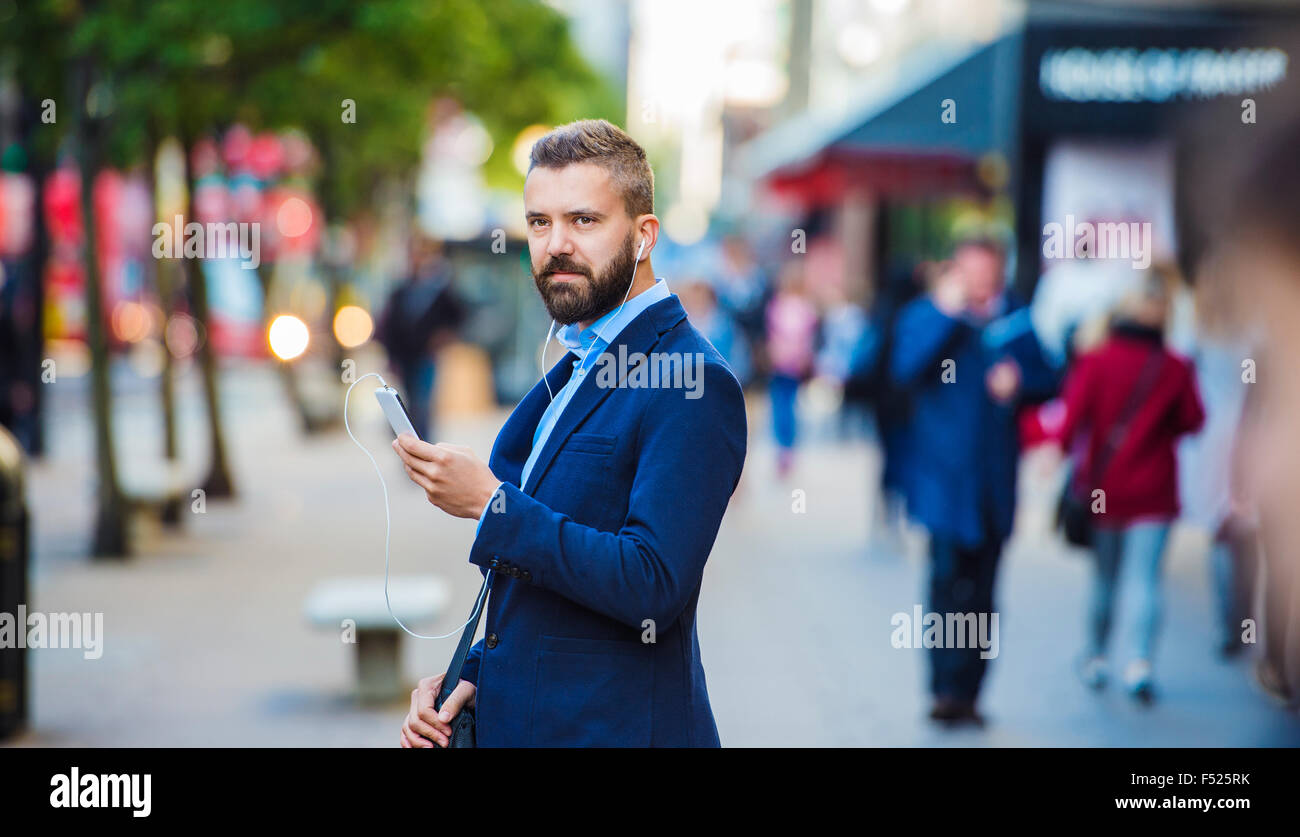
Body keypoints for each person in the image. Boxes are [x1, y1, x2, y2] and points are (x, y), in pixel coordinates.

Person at [393, 119, 747, 747]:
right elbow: (544, 582)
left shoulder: (692, 381)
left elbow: (652, 585)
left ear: (643, 236)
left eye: (583, 221)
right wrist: (472, 675)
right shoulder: (582, 360)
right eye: (538, 223)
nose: (556, 244)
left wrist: (488, 506)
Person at [889, 237, 1058, 725]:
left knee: (983, 592)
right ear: (955, 273)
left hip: (994, 483)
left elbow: (1053, 378)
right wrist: (946, 315)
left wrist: (1020, 383)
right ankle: (943, 690)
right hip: (944, 481)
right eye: (972, 274)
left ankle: (970, 693)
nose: (982, 286)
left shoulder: (1016, 324)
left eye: (989, 275)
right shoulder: (929, 317)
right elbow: (904, 370)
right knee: (945, 587)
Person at [1057, 271, 1205, 704]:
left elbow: (1071, 422)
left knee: (1105, 577)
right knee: (1146, 579)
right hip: (1156, 488)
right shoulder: (1176, 366)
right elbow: (1194, 420)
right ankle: (1139, 662)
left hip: (1106, 489)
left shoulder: (1097, 360)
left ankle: (1097, 656)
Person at [375, 233, 466, 440]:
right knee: (405, 403)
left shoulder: (438, 289)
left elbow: (457, 315)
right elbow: (389, 325)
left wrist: (444, 336)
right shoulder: (401, 290)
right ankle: (412, 444)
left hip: (425, 356)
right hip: (403, 357)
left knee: (422, 404)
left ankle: (423, 444)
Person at [764, 260, 818, 478]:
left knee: (781, 406)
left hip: (782, 361)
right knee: (789, 406)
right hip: (792, 363)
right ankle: (787, 449)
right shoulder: (804, 307)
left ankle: (784, 448)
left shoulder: (779, 306)